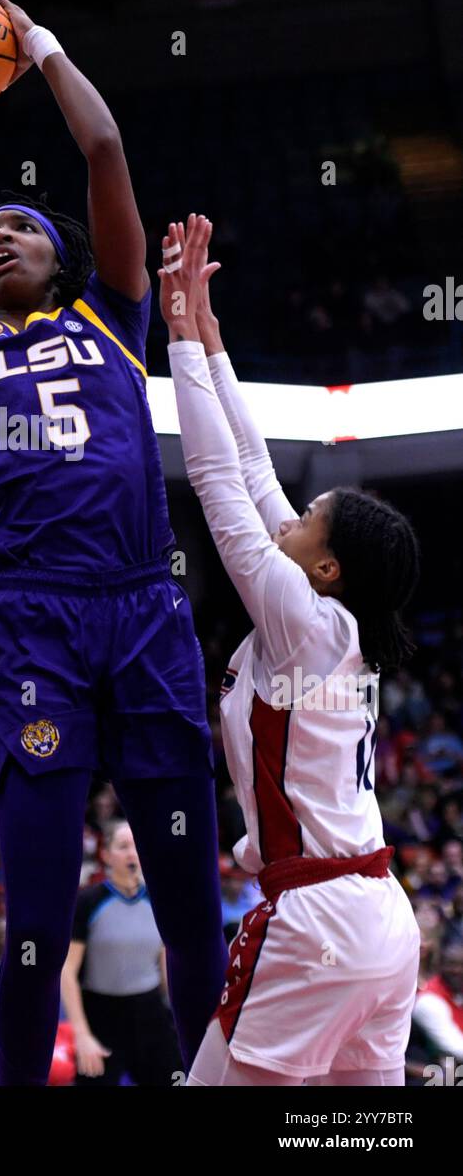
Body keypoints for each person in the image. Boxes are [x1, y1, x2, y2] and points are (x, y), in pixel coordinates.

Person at [0, 0, 226, 1085]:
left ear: (62, 255)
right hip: (33, 627)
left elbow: (105, 143)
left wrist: (37, 45)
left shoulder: (112, 320)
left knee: (189, 907)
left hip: (141, 611)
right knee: (32, 920)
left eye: (17, 227)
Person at [160, 214, 422, 1087]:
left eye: (309, 522)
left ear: (329, 564)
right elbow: (260, 471)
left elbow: (218, 482)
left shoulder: (304, 621)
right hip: (381, 919)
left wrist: (179, 345)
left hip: (317, 923)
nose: (291, 519)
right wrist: (211, 337)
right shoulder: (338, 628)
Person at [61, 819, 180, 1086]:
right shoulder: (88, 902)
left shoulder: (160, 899)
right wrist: (81, 1035)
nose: (132, 853)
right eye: (123, 846)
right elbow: (67, 971)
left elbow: (165, 965)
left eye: (138, 846)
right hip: (100, 1016)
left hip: (150, 1013)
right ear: (106, 855)